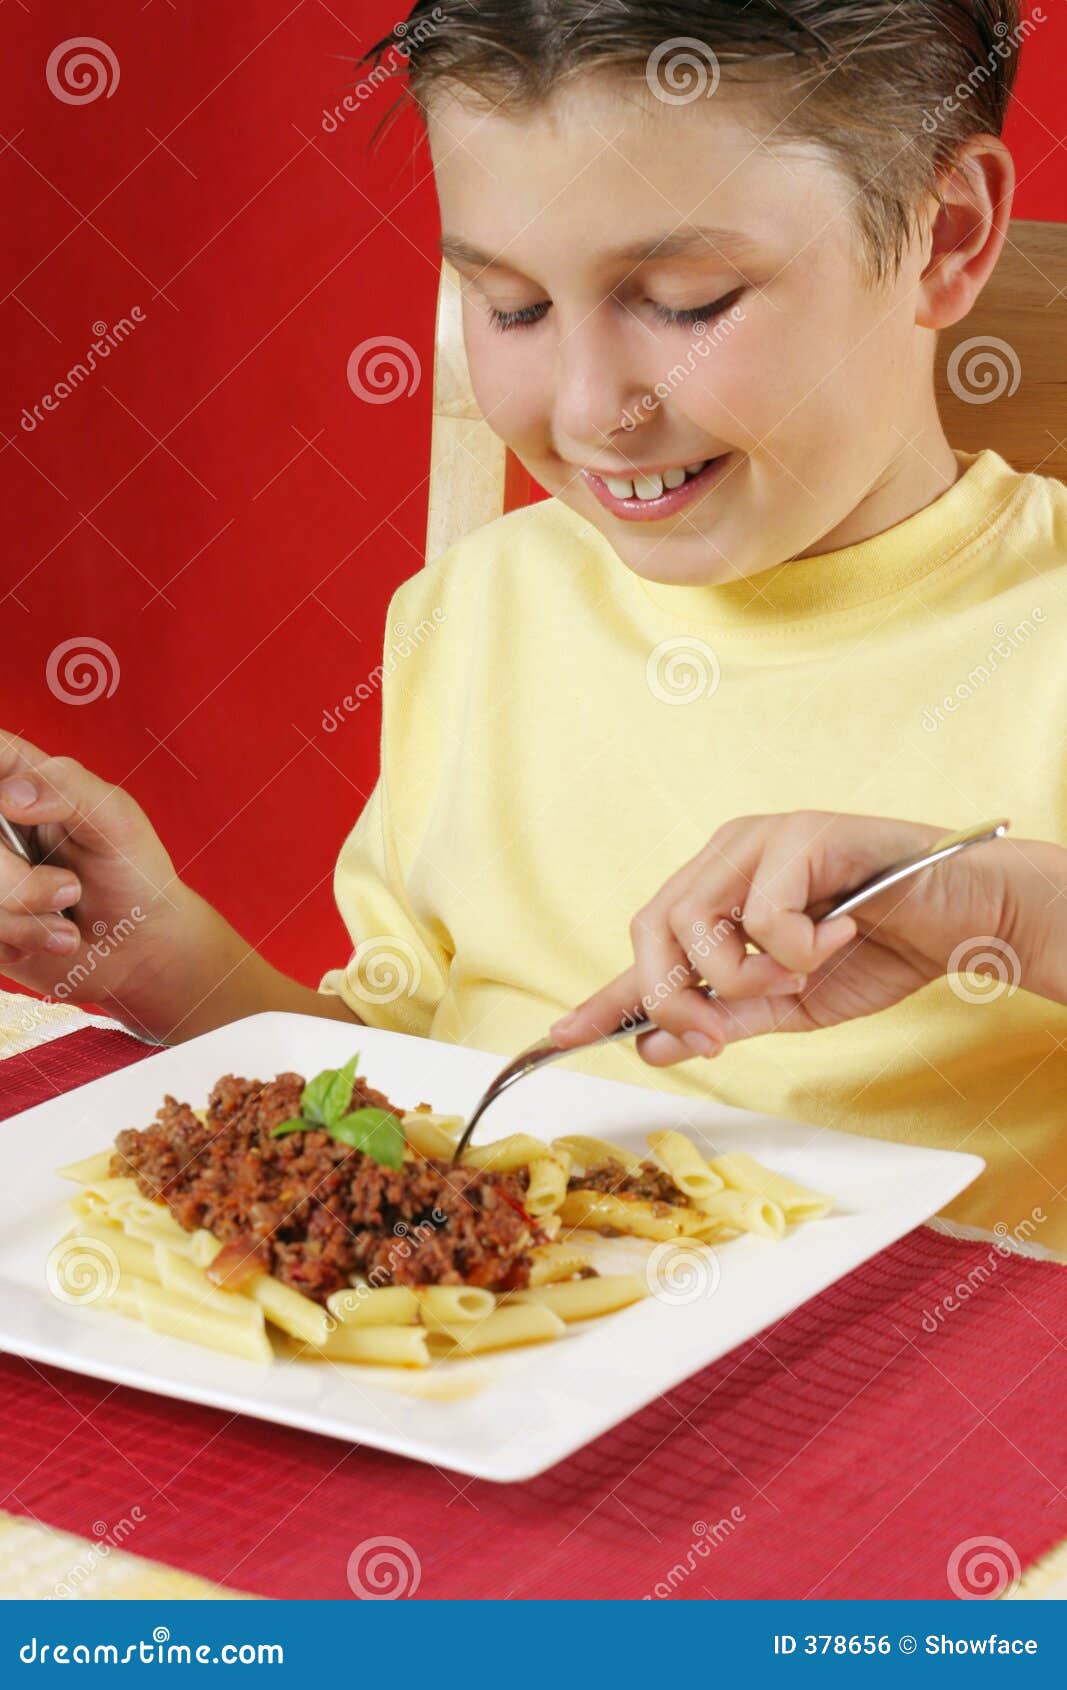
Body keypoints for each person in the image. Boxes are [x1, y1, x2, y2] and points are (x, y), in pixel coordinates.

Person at [3, 1, 1066, 1246]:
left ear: (945, 236)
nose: (586, 409)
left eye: (684, 300)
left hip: (904, 1419)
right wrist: (147, 956)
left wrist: (1000, 910)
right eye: (508, 306)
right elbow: (411, 1093)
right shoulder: (480, 610)